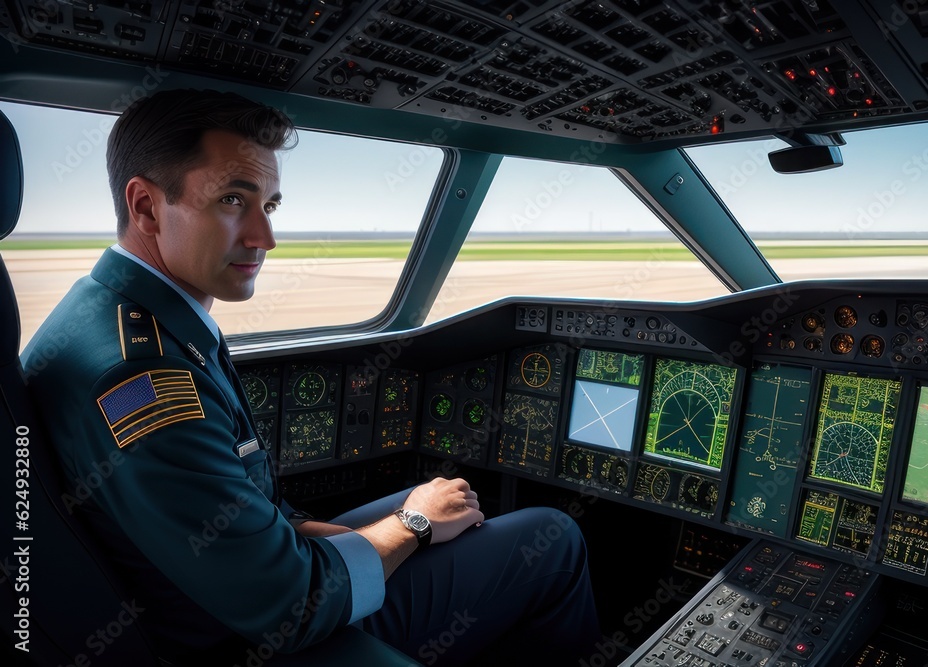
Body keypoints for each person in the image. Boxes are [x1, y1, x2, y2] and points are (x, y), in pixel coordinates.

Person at [21, 89, 600, 665]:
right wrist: (413, 525)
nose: (264, 238)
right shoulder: (144, 380)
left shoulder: (110, 313)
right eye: (231, 199)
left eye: (269, 206)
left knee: (446, 501)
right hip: (241, 637)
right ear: (146, 206)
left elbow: (245, 515)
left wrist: (399, 524)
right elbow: (289, 606)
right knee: (550, 538)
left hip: (215, 593)